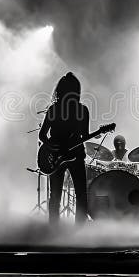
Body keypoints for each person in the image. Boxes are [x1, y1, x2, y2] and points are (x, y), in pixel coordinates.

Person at [38, 72, 90, 224]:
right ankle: (79, 231)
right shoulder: (82, 110)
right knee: (81, 195)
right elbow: (85, 135)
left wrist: (49, 145)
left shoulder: (53, 109)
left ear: (59, 91)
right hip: (74, 156)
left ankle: (54, 230)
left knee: (55, 195)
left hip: (59, 156)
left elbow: (42, 135)